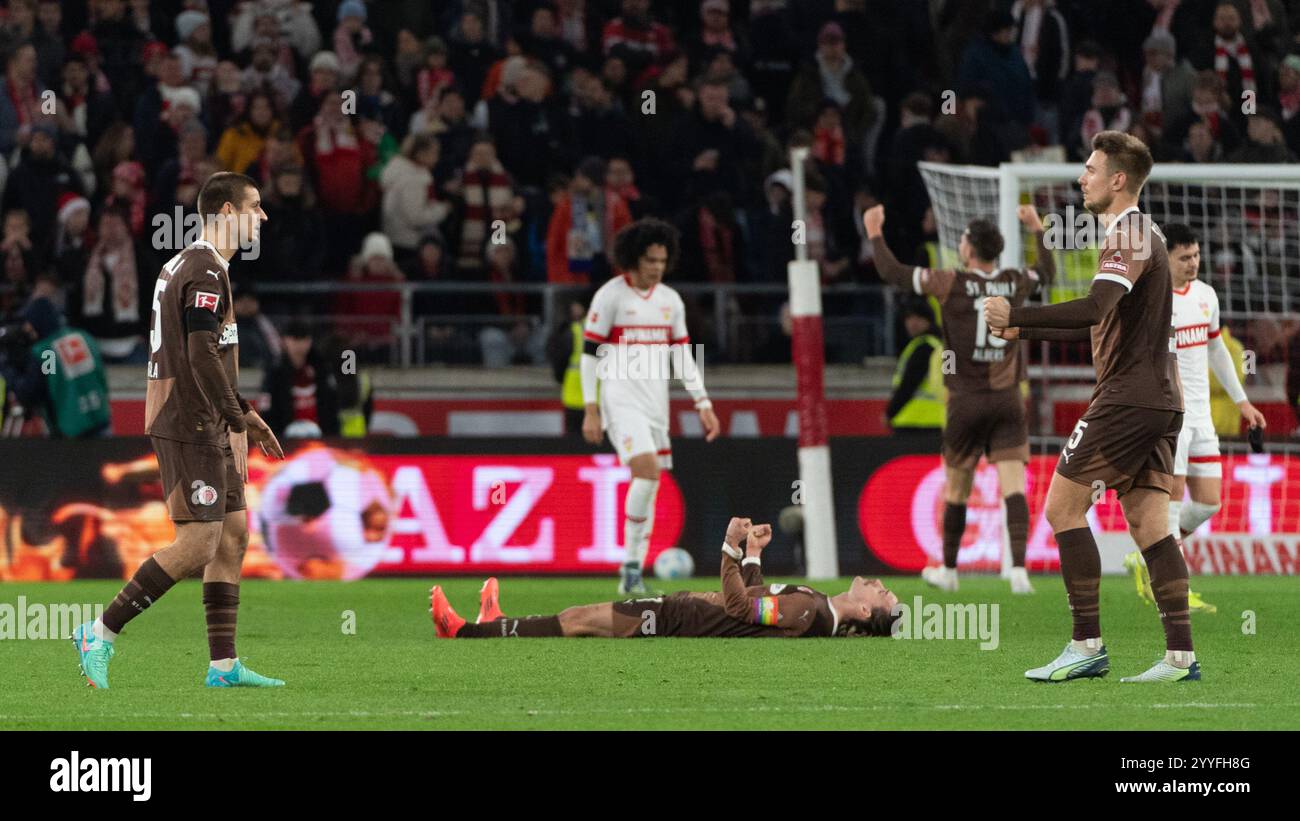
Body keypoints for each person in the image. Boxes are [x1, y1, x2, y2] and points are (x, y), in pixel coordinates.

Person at [984, 131, 1196, 683]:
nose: (1083, 177)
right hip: (1162, 400)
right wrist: (1021, 330)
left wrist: (1017, 316)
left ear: (1118, 180)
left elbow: (1094, 306)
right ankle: (1180, 658)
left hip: (1128, 397)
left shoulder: (1126, 232)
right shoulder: (1143, 231)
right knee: (1151, 525)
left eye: (1091, 168)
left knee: (1061, 508)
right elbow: (1102, 318)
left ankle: (1087, 645)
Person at [71, 172, 286, 691]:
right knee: (197, 543)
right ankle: (99, 632)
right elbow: (199, 353)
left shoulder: (186, 263)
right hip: (191, 420)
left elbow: (204, 352)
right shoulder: (207, 272)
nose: (262, 217)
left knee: (233, 536)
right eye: (255, 207)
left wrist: (234, 417)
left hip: (207, 417)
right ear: (227, 211)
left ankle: (223, 665)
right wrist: (242, 417)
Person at [868, 203, 1055, 594]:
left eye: (963, 241)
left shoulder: (948, 281)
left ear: (969, 250)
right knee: (1014, 487)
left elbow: (893, 273)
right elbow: (1049, 272)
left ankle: (949, 571)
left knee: (956, 489)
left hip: (965, 402)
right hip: (1007, 400)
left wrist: (874, 233)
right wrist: (1037, 227)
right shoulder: (1015, 279)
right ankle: (1018, 570)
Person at [430, 518, 901, 639]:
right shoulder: (813, 608)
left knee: (576, 619)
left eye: (881, 594)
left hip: (680, 616)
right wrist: (753, 554)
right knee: (577, 618)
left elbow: (738, 607)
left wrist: (727, 547)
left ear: (864, 611)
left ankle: (466, 630)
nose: (876, 584)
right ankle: (495, 621)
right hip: (685, 611)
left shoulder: (809, 609)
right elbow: (755, 600)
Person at [1122, 224, 1267, 614]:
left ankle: (1148, 555)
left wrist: (1242, 402)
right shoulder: (1151, 299)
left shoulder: (1206, 295)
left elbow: (1216, 348)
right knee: (1172, 498)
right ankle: (1173, 586)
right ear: (1165, 258)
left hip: (1203, 416)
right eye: (1184, 257)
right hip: (1170, 415)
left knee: (1208, 503)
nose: (1194, 263)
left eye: (1196, 256)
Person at [580, 218, 720, 594]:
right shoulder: (611, 296)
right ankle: (629, 565)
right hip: (619, 398)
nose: (657, 267)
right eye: (649, 260)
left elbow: (683, 356)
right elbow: (589, 354)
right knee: (646, 470)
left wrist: (702, 402)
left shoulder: (669, 300)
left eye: (662, 260)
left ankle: (634, 569)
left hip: (655, 404)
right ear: (632, 260)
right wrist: (591, 408)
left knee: (652, 481)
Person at [2, 293, 110, 438]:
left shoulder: (48, 352)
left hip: (71, 430)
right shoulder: (83, 336)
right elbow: (102, 376)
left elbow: (34, 391)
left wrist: (8, 370)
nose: (28, 330)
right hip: (101, 419)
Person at [262, 319, 340, 438]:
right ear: (285, 341)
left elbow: (331, 406)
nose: (299, 345)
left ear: (309, 342)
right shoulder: (275, 373)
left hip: (321, 439)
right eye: (294, 339)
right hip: (284, 440)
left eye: (303, 339)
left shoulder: (322, 369)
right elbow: (267, 410)